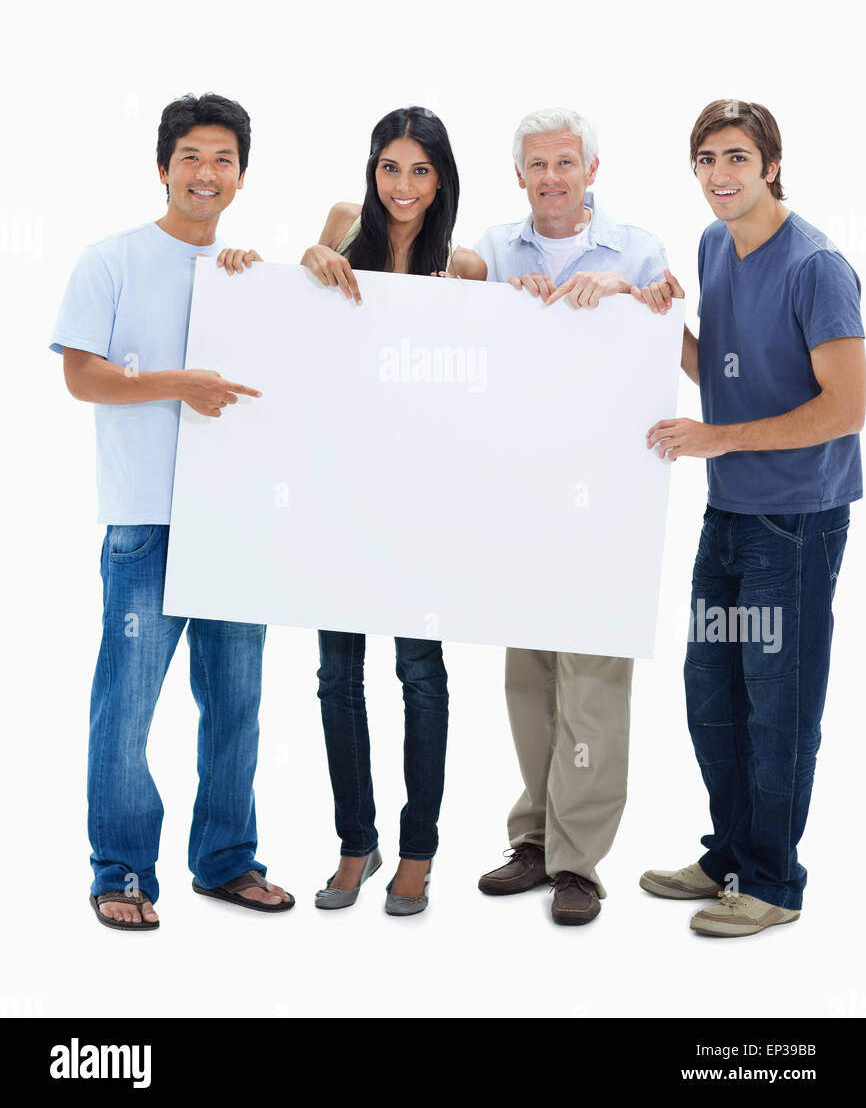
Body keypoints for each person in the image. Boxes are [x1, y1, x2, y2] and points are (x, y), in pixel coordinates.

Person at [50, 92, 293, 930]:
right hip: (146, 523)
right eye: (191, 156)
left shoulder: (244, 276)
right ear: (163, 168)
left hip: (234, 520)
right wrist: (177, 384)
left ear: (240, 177)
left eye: (223, 159)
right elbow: (82, 375)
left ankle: (226, 860)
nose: (206, 172)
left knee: (236, 704)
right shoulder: (111, 260)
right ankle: (119, 869)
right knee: (126, 706)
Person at [640, 99, 865, 936]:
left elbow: (846, 409)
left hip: (796, 526)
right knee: (714, 696)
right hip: (728, 512)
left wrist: (715, 439)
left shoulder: (817, 267)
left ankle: (773, 884)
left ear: (771, 163)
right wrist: (662, 322)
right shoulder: (712, 245)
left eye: (736, 157)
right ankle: (730, 854)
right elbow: (725, 375)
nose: (719, 176)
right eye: (705, 160)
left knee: (779, 706)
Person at [475, 107, 672, 925]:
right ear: (518, 176)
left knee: (592, 677)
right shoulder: (491, 251)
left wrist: (626, 294)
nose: (551, 177)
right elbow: (461, 352)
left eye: (566, 163)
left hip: (607, 494)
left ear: (592, 170)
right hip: (521, 488)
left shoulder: (636, 248)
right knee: (530, 675)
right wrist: (503, 307)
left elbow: (667, 339)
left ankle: (579, 862)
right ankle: (534, 837)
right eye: (536, 165)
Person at [301, 105, 485, 916]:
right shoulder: (343, 227)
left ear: (440, 178)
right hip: (338, 491)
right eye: (389, 168)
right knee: (338, 676)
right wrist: (307, 259)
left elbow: (487, 382)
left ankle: (418, 850)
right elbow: (289, 330)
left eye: (419, 170)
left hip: (422, 505)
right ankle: (355, 843)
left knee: (420, 676)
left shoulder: (467, 266)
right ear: (371, 172)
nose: (402, 186)